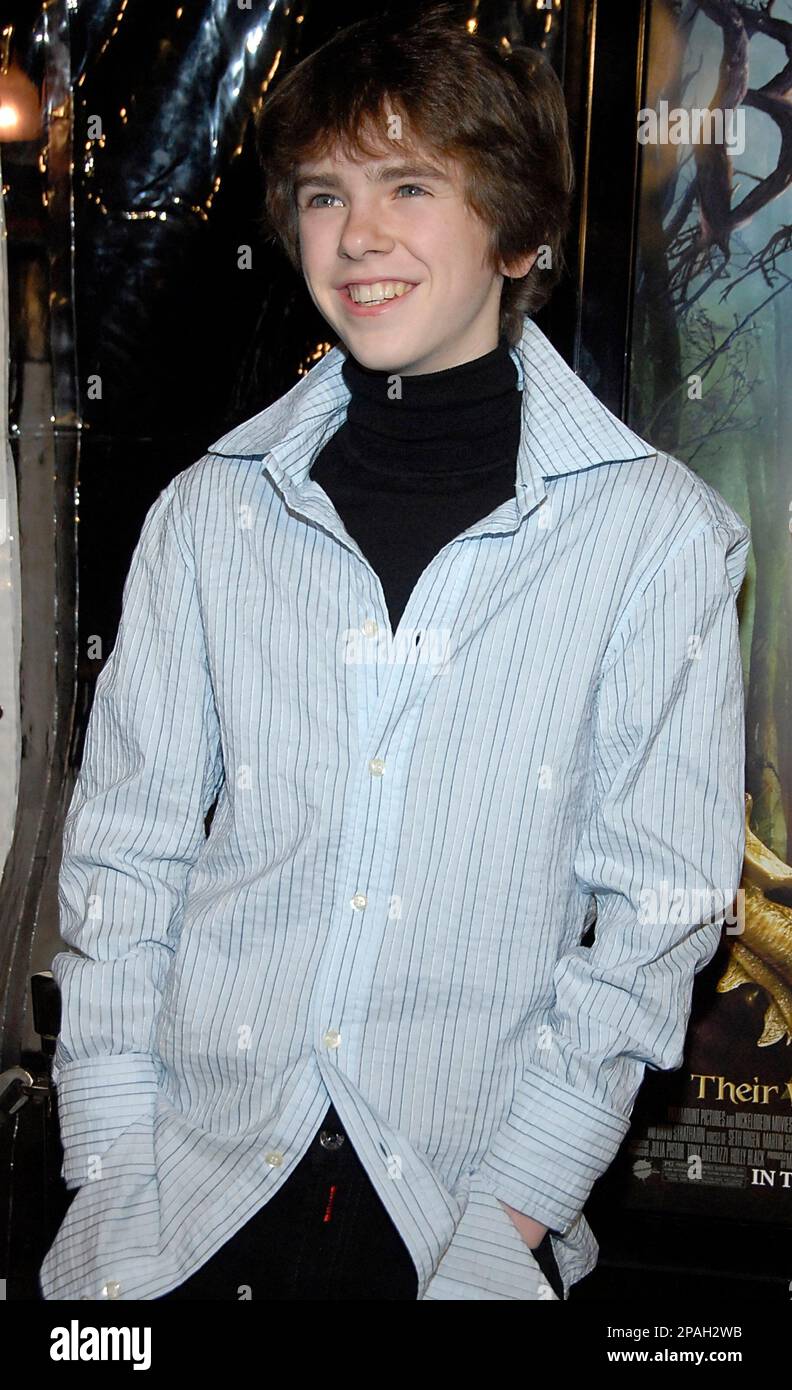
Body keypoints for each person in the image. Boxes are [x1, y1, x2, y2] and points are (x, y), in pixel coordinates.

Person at [39, 5, 750, 1302]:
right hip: (179, 1206)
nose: (356, 234)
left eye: (410, 186)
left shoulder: (655, 539)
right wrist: (112, 1174)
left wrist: (518, 1209)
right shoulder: (211, 511)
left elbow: (655, 912)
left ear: (521, 231)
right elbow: (124, 864)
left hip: (460, 1219)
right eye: (324, 193)